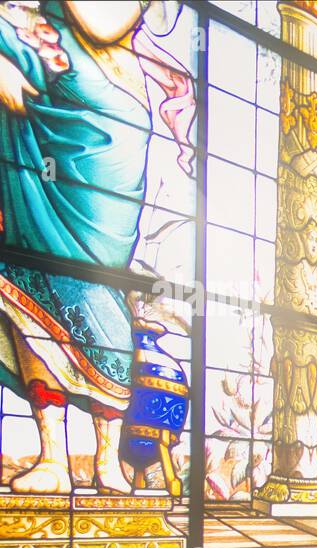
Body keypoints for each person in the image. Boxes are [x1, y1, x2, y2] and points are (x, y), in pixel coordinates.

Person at [0, 1, 192, 494]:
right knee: (41, 279)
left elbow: (103, 23)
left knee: (100, 284)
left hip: (108, 120)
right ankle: (54, 457)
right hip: (53, 98)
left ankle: (108, 458)